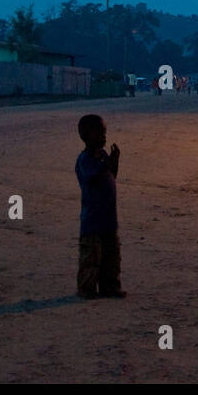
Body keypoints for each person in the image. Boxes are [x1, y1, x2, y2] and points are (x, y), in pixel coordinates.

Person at [75, 114, 124, 299]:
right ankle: (86, 289)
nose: (104, 137)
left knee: (111, 256)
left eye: (105, 133)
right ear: (86, 135)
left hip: (109, 218)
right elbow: (93, 178)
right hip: (92, 220)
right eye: (99, 133)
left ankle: (110, 286)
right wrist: (106, 164)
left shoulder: (102, 155)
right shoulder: (85, 159)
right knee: (91, 258)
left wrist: (114, 160)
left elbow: (112, 175)